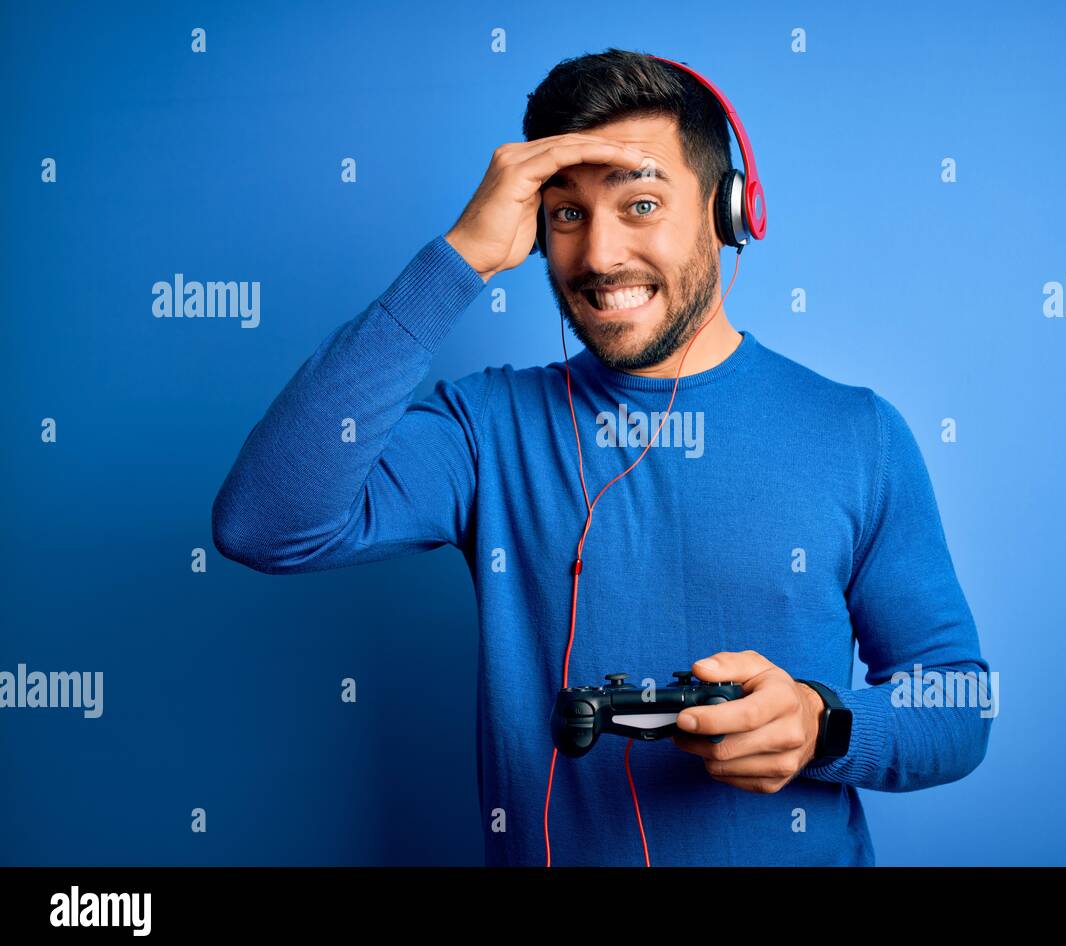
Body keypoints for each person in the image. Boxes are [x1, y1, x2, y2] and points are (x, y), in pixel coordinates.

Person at [211, 48, 993, 866]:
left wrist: (823, 727)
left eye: (642, 203)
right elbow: (265, 524)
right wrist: (458, 261)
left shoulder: (857, 433)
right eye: (567, 214)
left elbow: (958, 705)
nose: (599, 256)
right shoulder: (487, 427)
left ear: (727, 216)